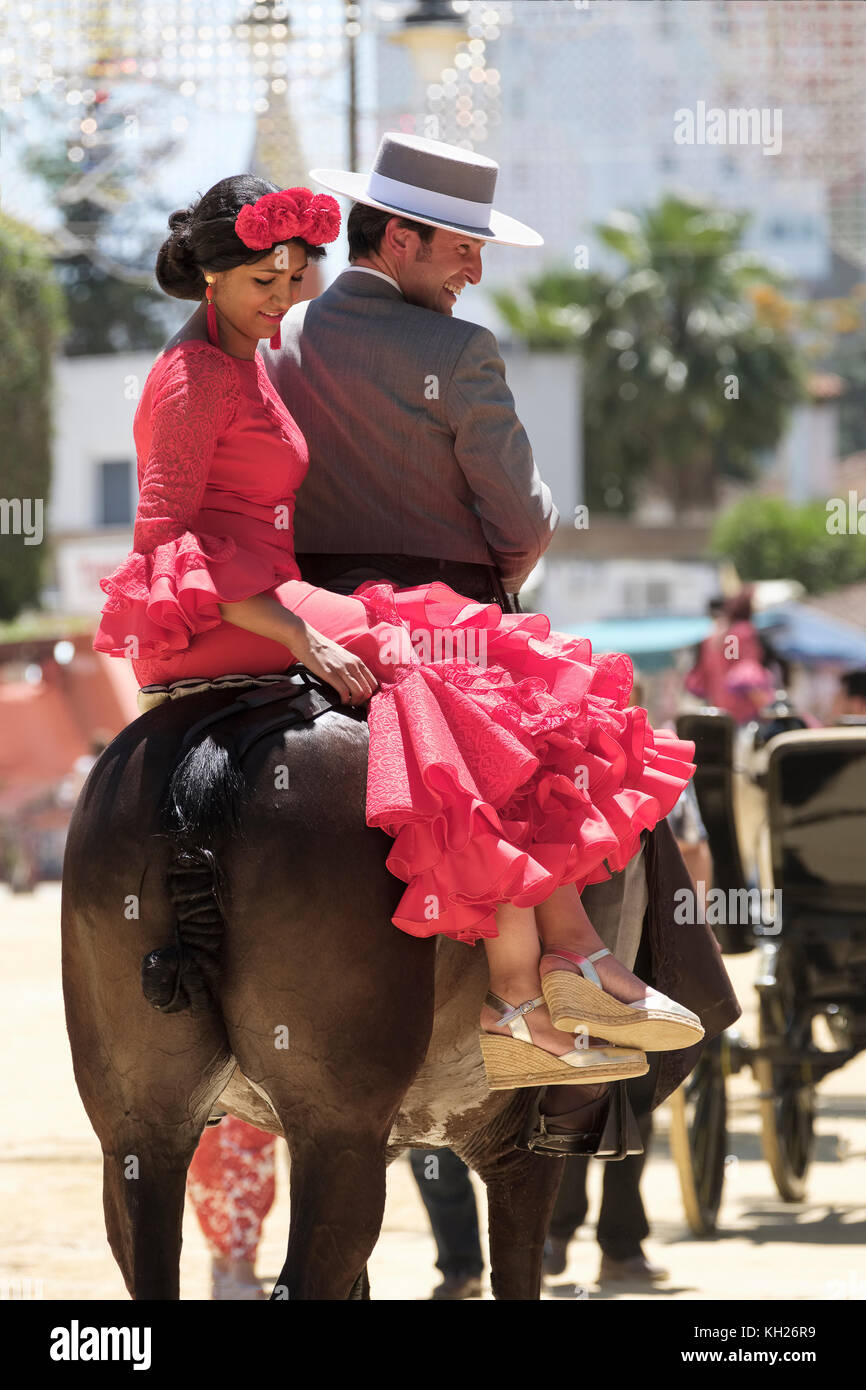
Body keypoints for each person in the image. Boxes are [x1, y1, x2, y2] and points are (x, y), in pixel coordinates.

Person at [92, 168, 701, 1099]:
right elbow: (164, 545)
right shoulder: (190, 376)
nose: (286, 300)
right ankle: (537, 977)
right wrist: (301, 639)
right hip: (217, 618)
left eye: (294, 276)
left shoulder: (258, 348)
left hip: (277, 598)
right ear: (212, 278)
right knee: (453, 663)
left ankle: (542, 973)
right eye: (266, 281)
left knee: (472, 669)